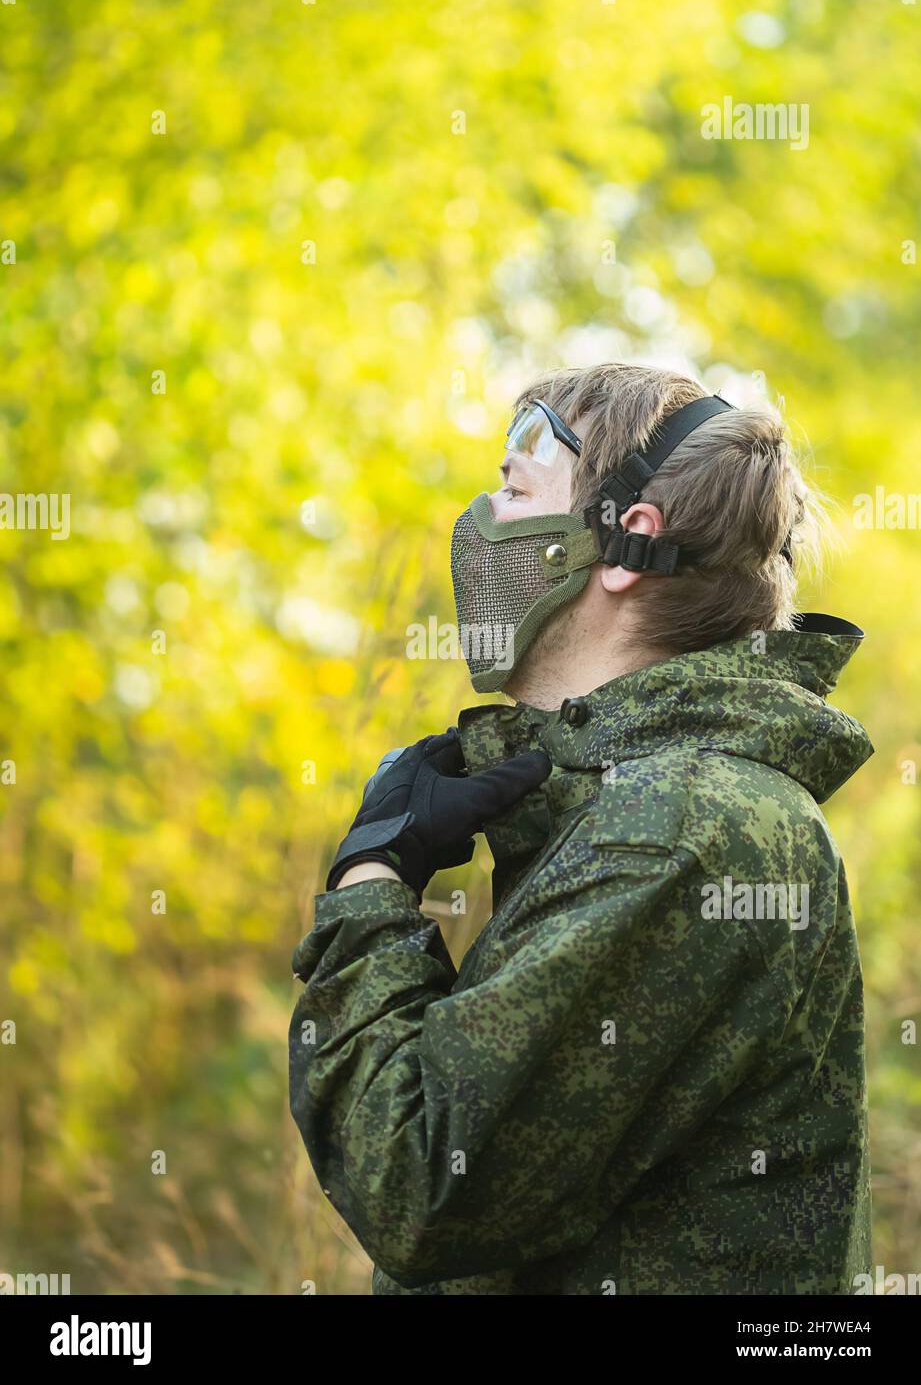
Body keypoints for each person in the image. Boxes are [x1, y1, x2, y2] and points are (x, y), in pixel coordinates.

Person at [288, 361, 873, 1295]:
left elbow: (420, 1182)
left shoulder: (677, 828)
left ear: (622, 543)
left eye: (516, 489)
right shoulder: (630, 801)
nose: (481, 515)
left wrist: (371, 883)